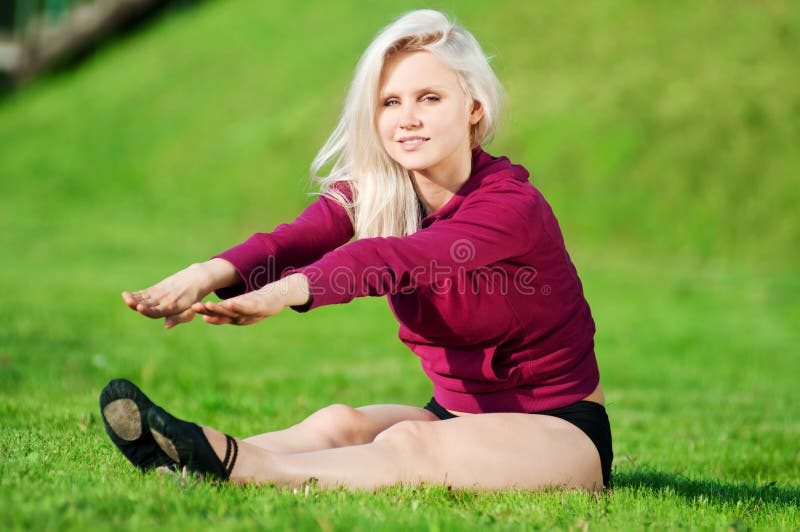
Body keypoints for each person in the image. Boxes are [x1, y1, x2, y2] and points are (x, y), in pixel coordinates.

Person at [100, 9, 612, 491]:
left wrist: (285, 294)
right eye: (391, 102)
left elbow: (395, 260)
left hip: (558, 429)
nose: (407, 118)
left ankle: (240, 466)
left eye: (429, 98)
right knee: (339, 423)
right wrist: (206, 274)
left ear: (474, 107)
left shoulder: (510, 206)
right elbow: (298, 238)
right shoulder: (382, 191)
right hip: (455, 412)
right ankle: (188, 455)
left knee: (408, 444)